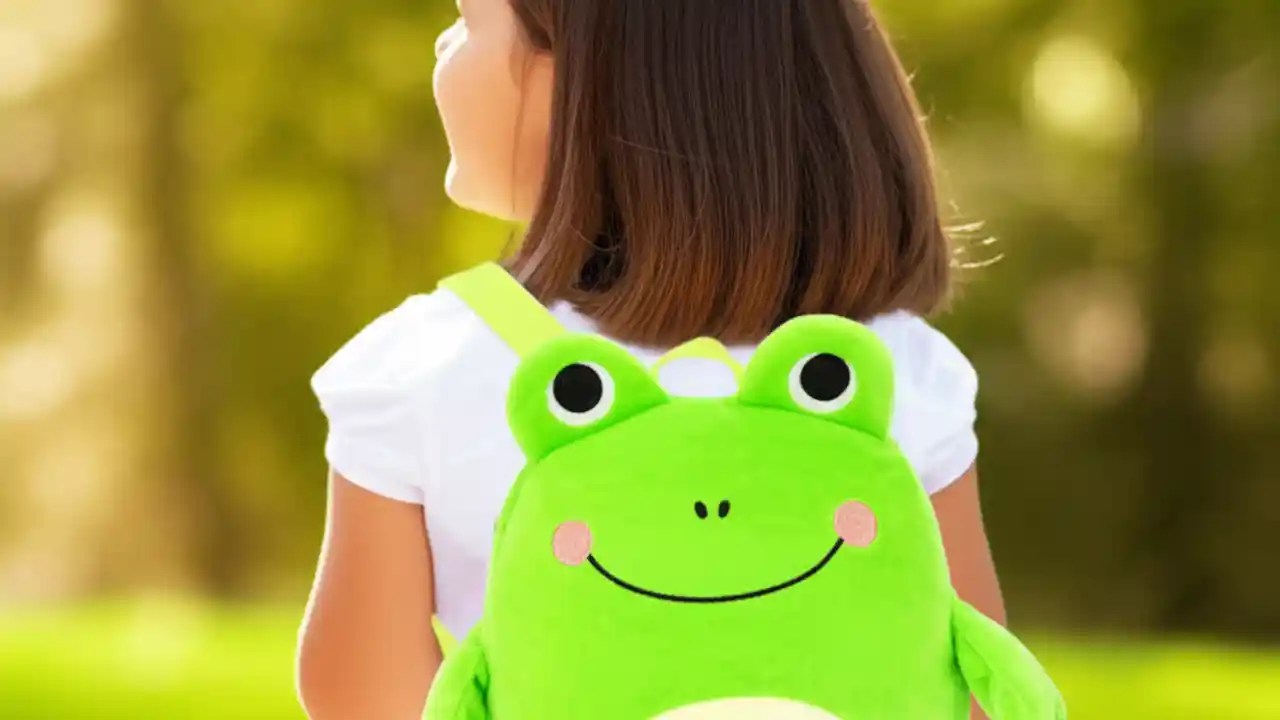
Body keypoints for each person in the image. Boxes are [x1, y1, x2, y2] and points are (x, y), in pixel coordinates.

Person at [297, 1, 1006, 718]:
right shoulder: (895, 371)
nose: (444, 48)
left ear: (572, 77)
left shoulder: (422, 370)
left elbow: (361, 696)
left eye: (466, 20)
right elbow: (977, 683)